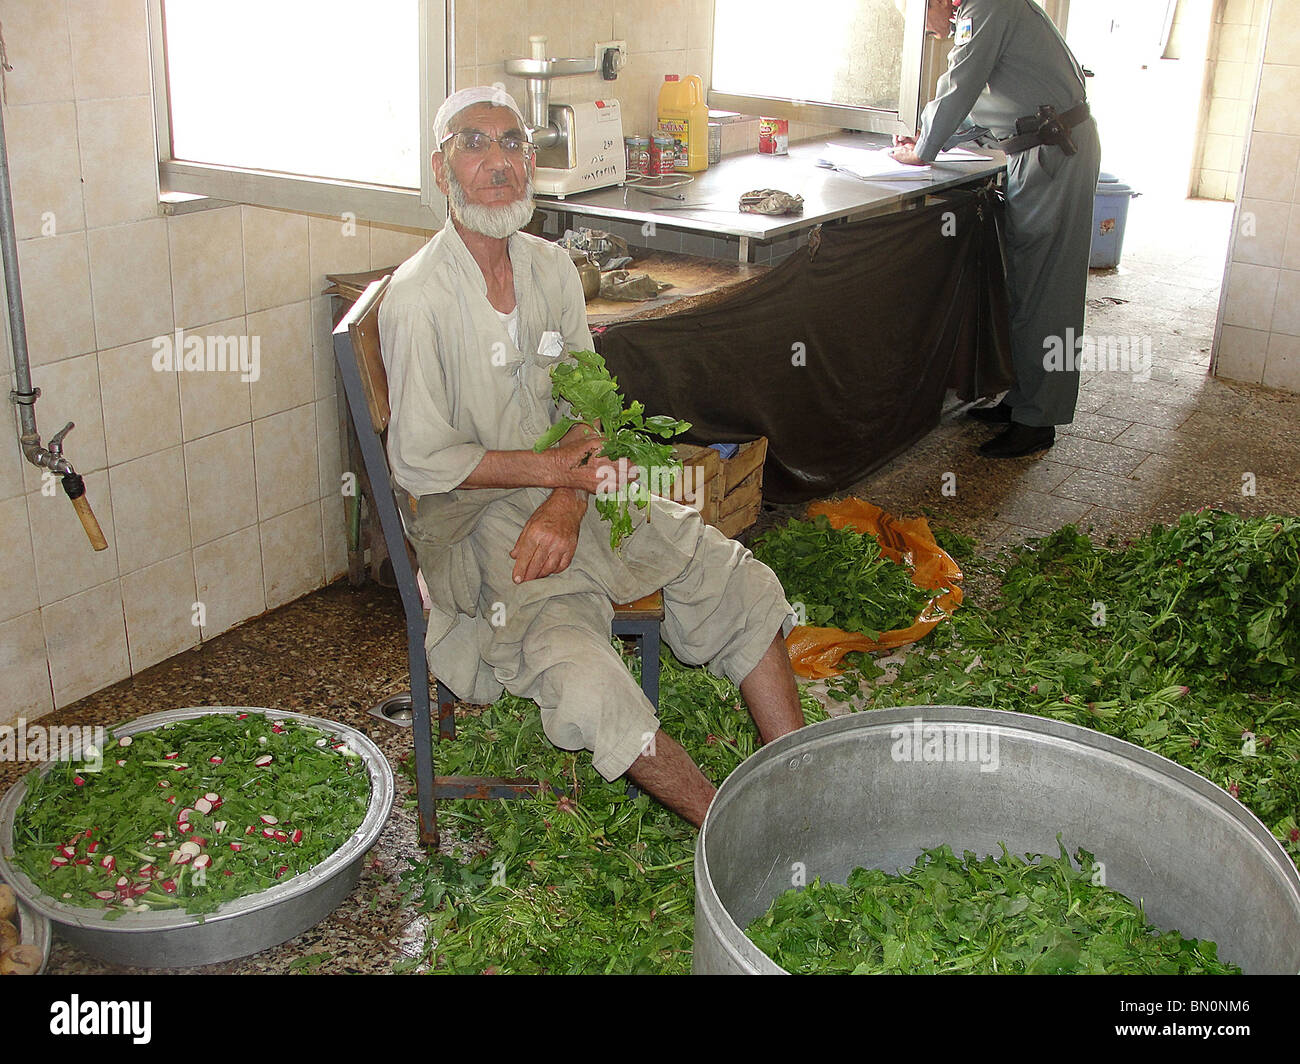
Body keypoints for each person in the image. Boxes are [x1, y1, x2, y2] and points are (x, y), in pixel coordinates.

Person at [378, 87, 805, 828]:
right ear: (442, 168)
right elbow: (418, 460)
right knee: (583, 676)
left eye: (512, 143)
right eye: (474, 145)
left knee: (733, 577)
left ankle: (803, 782)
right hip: (475, 519)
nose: (499, 163)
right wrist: (554, 477)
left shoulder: (551, 270)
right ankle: (729, 830)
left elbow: (590, 407)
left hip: (573, 490)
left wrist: (568, 499)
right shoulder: (418, 300)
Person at [892, 0, 1102, 458]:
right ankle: (1024, 401)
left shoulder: (986, 8)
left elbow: (960, 83)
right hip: (1038, 149)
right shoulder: (988, 8)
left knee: (1050, 292)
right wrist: (930, 138)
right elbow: (985, 100)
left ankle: (1039, 419)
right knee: (1028, 287)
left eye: (919, 21)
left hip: (1053, 152)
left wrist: (924, 148)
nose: (930, 33)